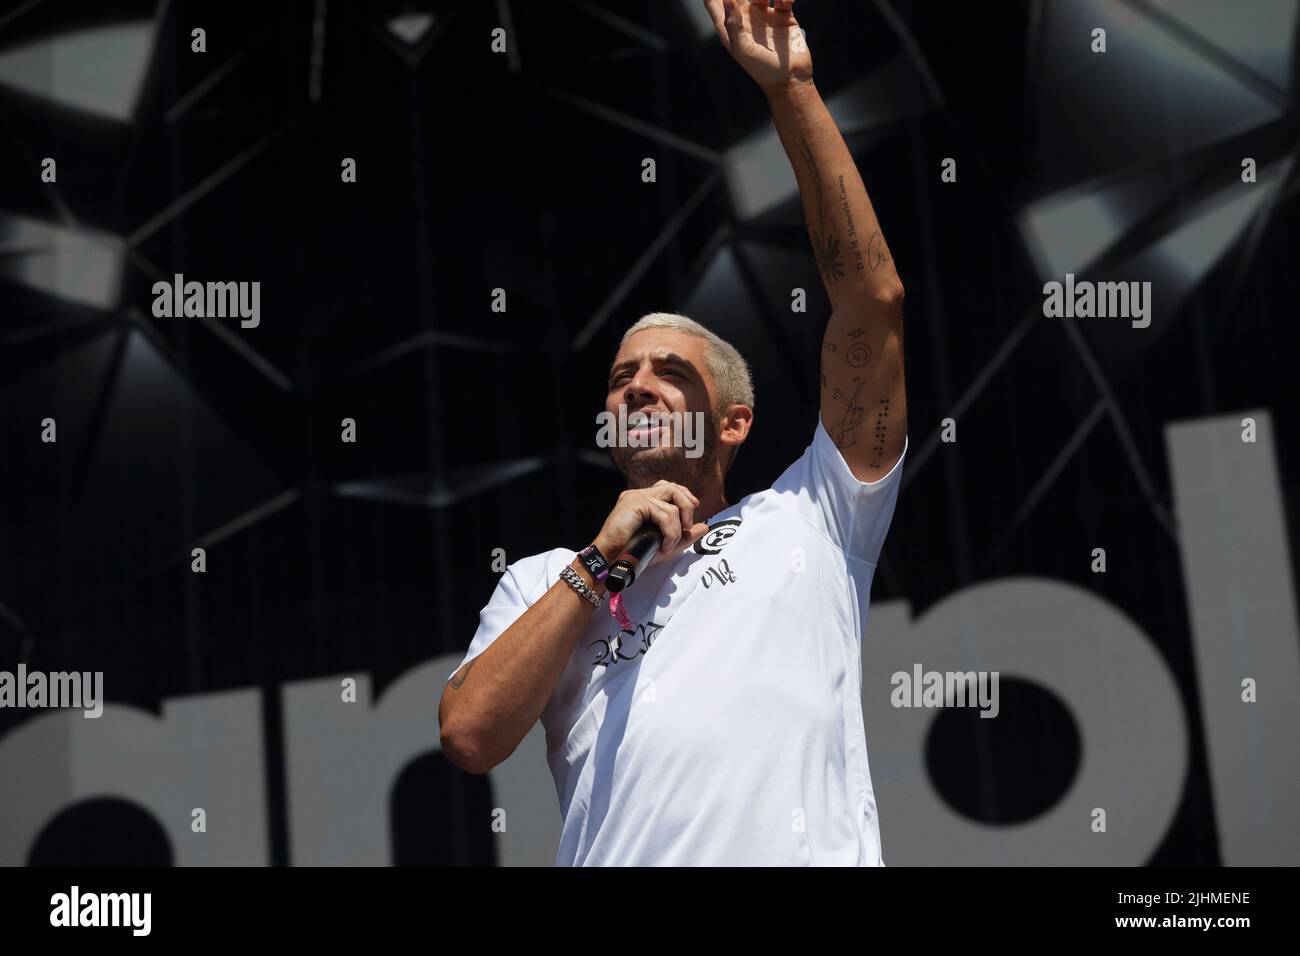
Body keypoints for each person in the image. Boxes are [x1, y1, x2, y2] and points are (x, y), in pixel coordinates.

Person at [439, 0, 907, 866]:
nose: (639, 387)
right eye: (621, 380)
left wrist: (791, 89)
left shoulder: (813, 517)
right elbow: (469, 735)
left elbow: (870, 308)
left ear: (734, 420)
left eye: (669, 372)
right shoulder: (547, 581)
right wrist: (598, 565)